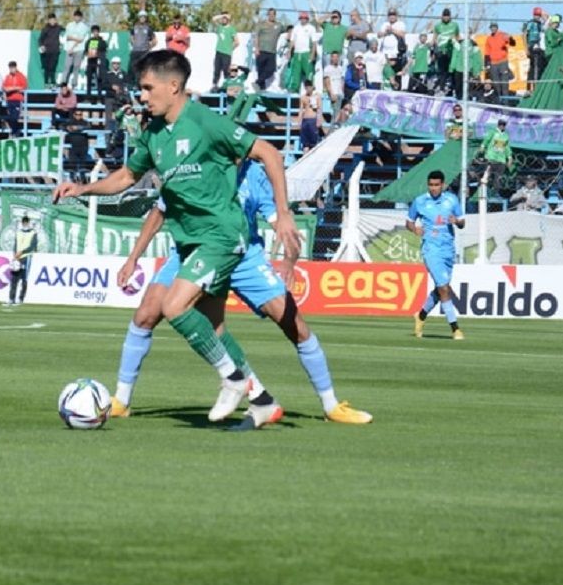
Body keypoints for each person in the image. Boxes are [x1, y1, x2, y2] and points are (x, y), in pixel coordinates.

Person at [53, 49, 301, 429]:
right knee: (212, 327)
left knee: (173, 306)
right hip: (190, 242)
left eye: (148, 88)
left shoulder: (205, 122)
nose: (143, 95)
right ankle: (262, 401)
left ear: (174, 86)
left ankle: (233, 379)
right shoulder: (153, 134)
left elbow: (269, 153)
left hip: (221, 235)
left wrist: (283, 213)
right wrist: (83, 188)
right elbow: (124, 178)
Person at [110, 158, 371, 425]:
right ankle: (121, 400)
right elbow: (160, 212)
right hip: (192, 251)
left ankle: (331, 405)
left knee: (295, 325)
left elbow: (280, 222)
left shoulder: (254, 174)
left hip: (245, 256)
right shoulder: (194, 165)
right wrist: (133, 258)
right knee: (146, 315)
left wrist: (290, 261)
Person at [410, 170, 466, 340]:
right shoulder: (420, 201)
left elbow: (462, 222)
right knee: (443, 288)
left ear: (443, 185)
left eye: (436, 185)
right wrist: (415, 229)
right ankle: (455, 328)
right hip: (431, 249)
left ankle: (420, 316)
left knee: (442, 287)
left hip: (448, 250)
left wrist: (456, 221)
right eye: (431, 185)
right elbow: (409, 221)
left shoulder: (452, 200)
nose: (433, 188)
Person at [5, 216, 38, 307]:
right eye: (24, 222)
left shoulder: (33, 233)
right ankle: (11, 299)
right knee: (14, 279)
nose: (25, 224)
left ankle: (20, 299)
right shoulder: (18, 232)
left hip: (26, 257)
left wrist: (22, 252)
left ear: (29, 223)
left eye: (26, 222)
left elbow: (32, 246)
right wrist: (15, 255)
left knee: (24, 279)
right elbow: (15, 244)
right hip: (17, 258)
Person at [477, 117, 514, 194]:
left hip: (501, 160)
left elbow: (507, 147)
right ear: (498, 124)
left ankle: (495, 193)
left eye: (503, 124)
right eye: (500, 124)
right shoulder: (492, 132)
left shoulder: (506, 135)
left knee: (498, 178)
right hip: (491, 158)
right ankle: (481, 192)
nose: (502, 126)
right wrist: (482, 147)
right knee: (486, 176)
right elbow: (486, 140)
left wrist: (509, 157)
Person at [253, 8, 283, 89]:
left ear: (275, 15)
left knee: (271, 70)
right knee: (261, 70)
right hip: (261, 50)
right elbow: (256, 36)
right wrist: (256, 48)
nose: (271, 16)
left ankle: (257, 82)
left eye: (273, 14)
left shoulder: (279, 25)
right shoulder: (261, 24)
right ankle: (261, 88)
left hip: (272, 52)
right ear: (267, 15)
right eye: (270, 14)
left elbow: (287, 31)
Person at [61, 10, 90, 89]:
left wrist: (73, 43)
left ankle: (74, 84)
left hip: (79, 49)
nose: (77, 18)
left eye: (78, 16)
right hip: (69, 49)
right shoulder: (69, 25)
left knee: (76, 67)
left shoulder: (84, 27)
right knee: (67, 66)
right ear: (74, 17)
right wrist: (74, 41)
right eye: (75, 16)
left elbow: (80, 40)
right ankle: (63, 83)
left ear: (81, 18)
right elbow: (67, 37)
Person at [210, 12, 238, 91]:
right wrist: (222, 15)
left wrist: (230, 48)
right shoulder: (220, 27)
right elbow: (213, 19)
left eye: (225, 18)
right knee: (216, 70)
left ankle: (227, 86)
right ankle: (214, 85)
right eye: (223, 18)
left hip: (226, 54)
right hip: (218, 52)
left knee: (226, 71)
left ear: (228, 19)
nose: (223, 19)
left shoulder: (231, 29)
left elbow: (237, 42)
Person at [128, 13, 157, 85]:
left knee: (143, 69)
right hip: (135, 51)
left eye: (144, 17)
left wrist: (149, 47)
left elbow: (155, 40)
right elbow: (131, 37)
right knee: (132, 68)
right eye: (141, 17)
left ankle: (141, 84)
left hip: (144, 51)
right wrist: (134, 44)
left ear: (146, 18)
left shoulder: (148, 28)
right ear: (139, 18)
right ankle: (131, 85)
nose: (142, 18)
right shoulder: (134, 27)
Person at [39, 13, 63, 88]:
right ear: (48, 21)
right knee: (46, 67)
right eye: (51, 20)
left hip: (55, 51)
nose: (52, 21)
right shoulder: (45, 29)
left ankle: (53, 83)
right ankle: (46, 83)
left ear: (55, 20)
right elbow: (40, 39)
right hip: (46, 51)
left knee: (53, 67)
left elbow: (66, 32)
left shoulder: (59, 28)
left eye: (53, 20)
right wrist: (41, 46)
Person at [84, 25, 109, 96]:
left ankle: (99, 95)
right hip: (90, 62)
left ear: (99, 32)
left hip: (98, 62)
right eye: (94, 32)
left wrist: (98, 53)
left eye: (96, 31)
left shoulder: (102, 41)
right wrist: (88, 53)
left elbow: (105, 50)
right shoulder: (89, 41)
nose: (95, 33)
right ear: (92, 32)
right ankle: (88, 95)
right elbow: (85, 51)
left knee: (99, 78)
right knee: (89, 79)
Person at [299, 79, 321, 151]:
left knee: (313, 143)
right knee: (305, 143)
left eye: (309, 87)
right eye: (306, 87)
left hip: (313, 120)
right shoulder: (303, 97)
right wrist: (299, 121)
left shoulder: (317, 96)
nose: (308, 89)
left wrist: (318, 120)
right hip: (305, 120)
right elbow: (301, 110)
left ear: (312, 87)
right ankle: (305, 158)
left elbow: (319, 109)